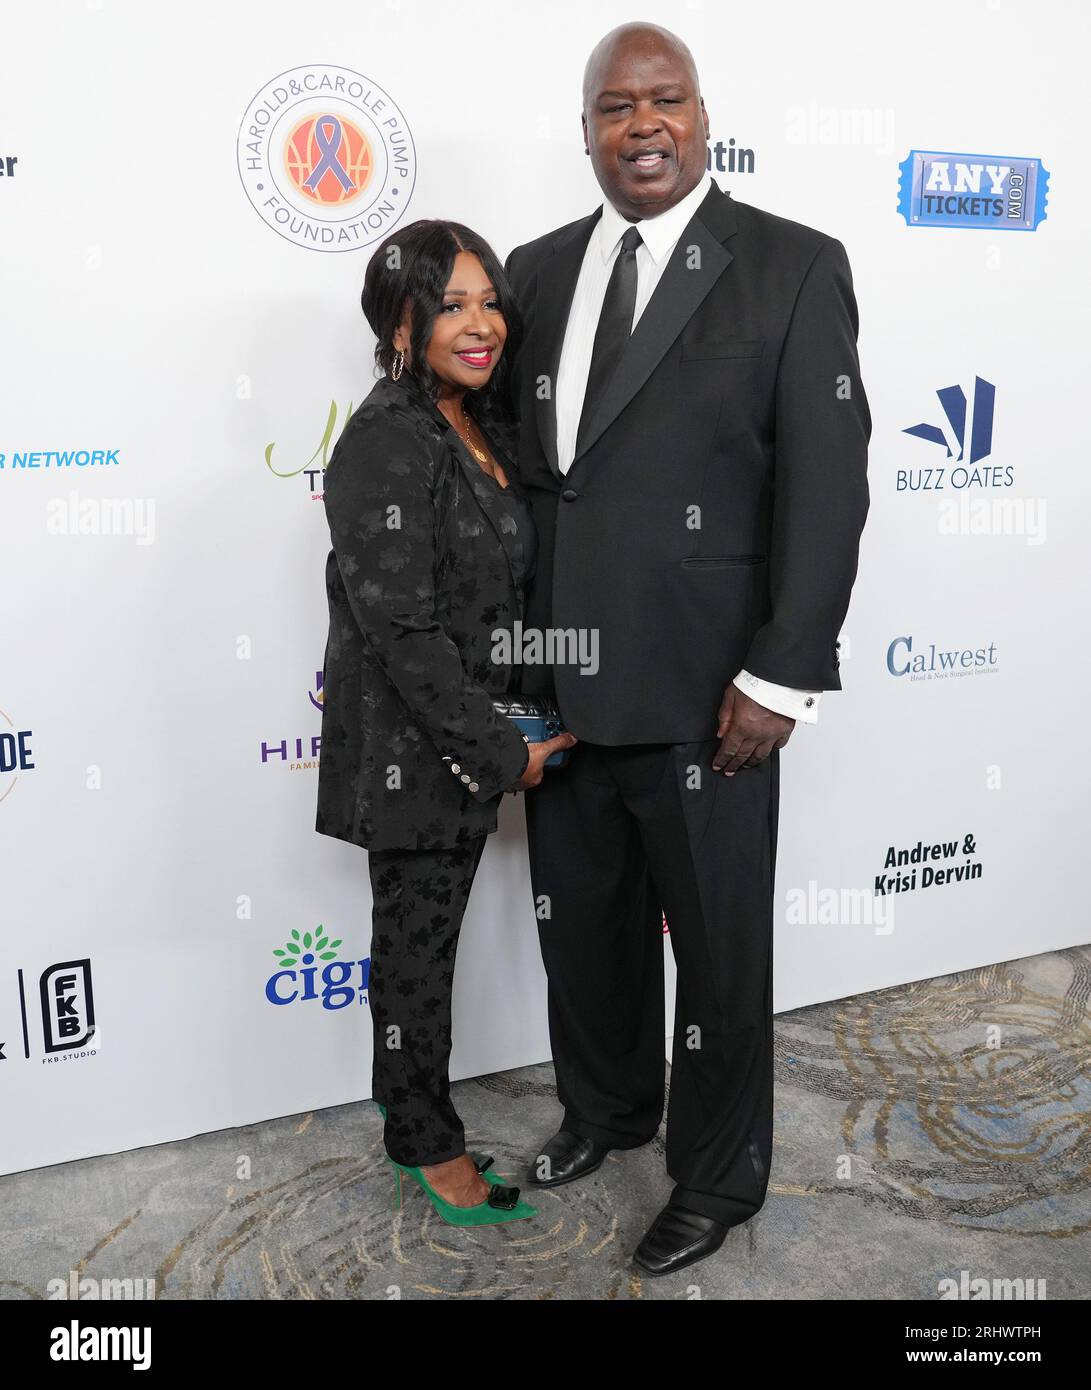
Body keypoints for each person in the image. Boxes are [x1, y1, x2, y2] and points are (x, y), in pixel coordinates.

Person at [504, 23, 871, 1274]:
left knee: (715, 951)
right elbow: (531, 489)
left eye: (663, 101)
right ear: (588, 130)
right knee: (583, 929)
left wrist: (779, 672)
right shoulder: (537, 270)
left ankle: (717, 1176)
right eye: (615, 107)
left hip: (714, 693)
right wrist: (517, 677)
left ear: (703, 114)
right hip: (564, 679)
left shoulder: (790, 265)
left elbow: (826, 493)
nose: (640, 125)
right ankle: (604, 1110)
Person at [315, 219, 576, 1227]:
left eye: (488, 301)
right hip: (410, 758)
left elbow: (489, 601)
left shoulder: (476, 422)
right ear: (399, 321)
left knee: (425, 945)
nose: (481, 325)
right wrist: (500, 751)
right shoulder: (387, 438)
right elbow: (402, 631)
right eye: (451, 304)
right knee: (415, 951)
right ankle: (420, 1140)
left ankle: (411, 1111)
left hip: (464, 737)